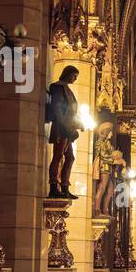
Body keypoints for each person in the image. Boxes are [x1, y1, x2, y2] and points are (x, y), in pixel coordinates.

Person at [46, 66, 81, 199]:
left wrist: (77, 124)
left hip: (68, 129)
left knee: (70, 157)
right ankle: (54, 187)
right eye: (74, 75)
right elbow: (58, 109)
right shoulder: (57, 87)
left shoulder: (67, 89)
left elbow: (71, 111)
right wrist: (65, 126)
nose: (75, 78)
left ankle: (65, 187)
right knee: (58, 156)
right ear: (67, 74)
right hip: (61, 128)